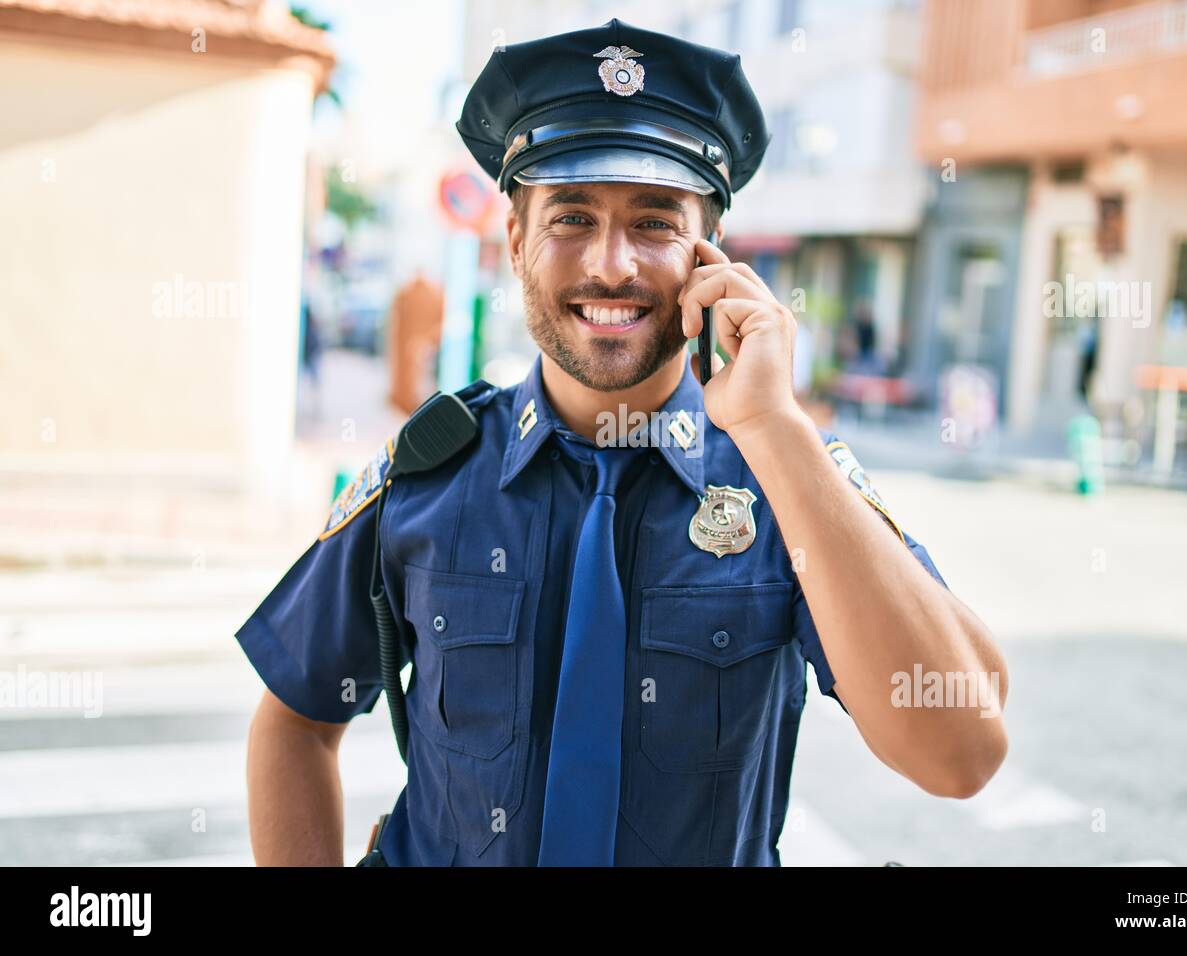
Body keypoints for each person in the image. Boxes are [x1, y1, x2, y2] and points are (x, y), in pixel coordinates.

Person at [236, 18, 1008, 867]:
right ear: (516, 243)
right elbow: (298, 720)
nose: (612, 264)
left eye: (654, 222)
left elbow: (961, 754)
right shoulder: (431, 476)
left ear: (710, 255)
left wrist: (778, 434)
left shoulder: (785, 479)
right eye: (570, 215)